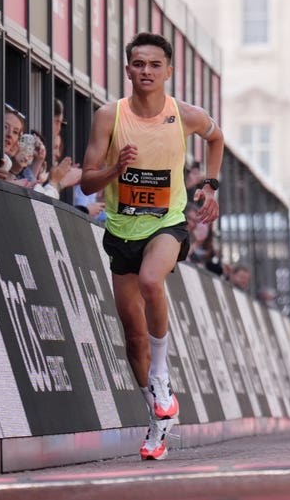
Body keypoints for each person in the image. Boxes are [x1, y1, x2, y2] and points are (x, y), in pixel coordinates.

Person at [80, 32, 224, 462]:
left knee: (150, 280)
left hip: (167, 222)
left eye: (155, 65)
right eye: (139, 64)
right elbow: (86, 181)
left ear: (168, 71)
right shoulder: (109, 116)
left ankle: (161, 375)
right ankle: (158, 418)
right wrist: (115, 169)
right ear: (127, 70)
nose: (146, 71)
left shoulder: (185, 115)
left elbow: (216, 139)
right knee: (132, 338)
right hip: (122, 227)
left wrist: (210, 185)